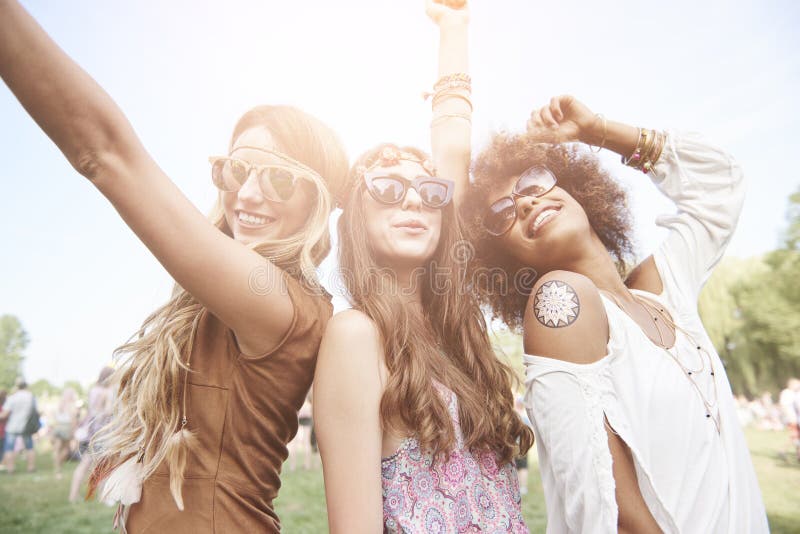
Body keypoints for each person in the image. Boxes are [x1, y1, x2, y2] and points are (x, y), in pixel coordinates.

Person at [0, 1, 348, 531]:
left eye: (278, 178)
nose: (248, 194)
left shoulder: (277, 299)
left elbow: (103, 152)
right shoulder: (232, 293)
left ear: (316, 201)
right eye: (237, 170)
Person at [460, 94, 768, 532]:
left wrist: (595, 131)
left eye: (532, 185)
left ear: (576, 188)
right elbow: (613, 516)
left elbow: (722, 181)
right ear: (504, 258)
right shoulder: (560, 301)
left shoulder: (667, 291)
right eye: (503, 213)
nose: (525, 203)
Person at [314, 3, 533, 532]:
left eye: (428, 191)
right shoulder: (355, 335)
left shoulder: (454, 332)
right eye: (388, 188)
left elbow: (453, 150)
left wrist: (456, 27)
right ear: (356, 217)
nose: (413, 201)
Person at [69, 368, 113, 501]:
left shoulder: (93, 390)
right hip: (100, 432)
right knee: (103, 465)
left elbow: (91, 410)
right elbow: (107, 411)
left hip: (88, 432)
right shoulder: (106, 392)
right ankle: (103, 497)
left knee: (84, 464)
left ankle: (73, 495)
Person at [1, 378, 37, 473]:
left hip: (12, 426)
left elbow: (5, 414)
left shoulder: (13, 397)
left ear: (17, 386)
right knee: (29, 447)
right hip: (27, 426)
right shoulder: (31, 397)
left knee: (9, 448)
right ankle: (31, 467)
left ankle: (10, 469)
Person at [52, 387, 79, 480]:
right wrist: (74, 432)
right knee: (66, 449)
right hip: (67, 427)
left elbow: (55, 417)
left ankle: (57, 468)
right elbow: (73, 420)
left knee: (57, 449)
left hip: (59, 427)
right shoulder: (72, 405)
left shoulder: (60, 404)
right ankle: (59, 467)